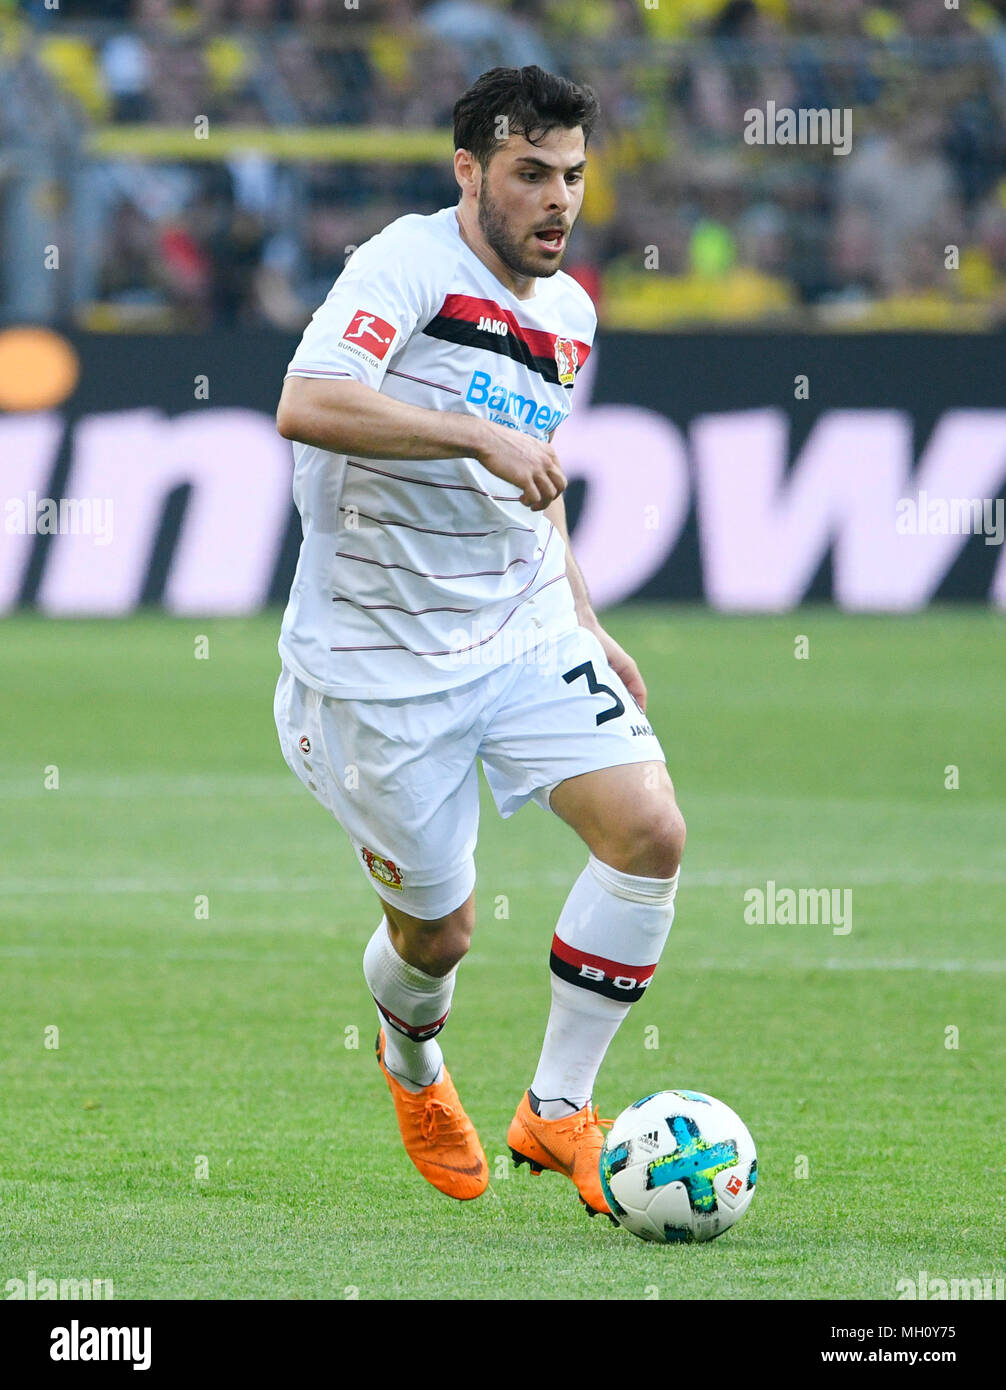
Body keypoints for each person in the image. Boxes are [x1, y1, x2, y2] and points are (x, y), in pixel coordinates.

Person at [273, 64, 685, 1219]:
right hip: (374, 673)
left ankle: (556, 1109)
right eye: (530, 175)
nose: (558, 201)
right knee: (439, 934)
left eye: (573, 178)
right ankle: (412, 1064)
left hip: (519, 631)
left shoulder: (570, 313)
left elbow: (533, 475)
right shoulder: (404, 266)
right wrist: (468, 436)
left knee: (648, 831)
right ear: (470, 171)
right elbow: (307, 401)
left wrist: (586, 617)